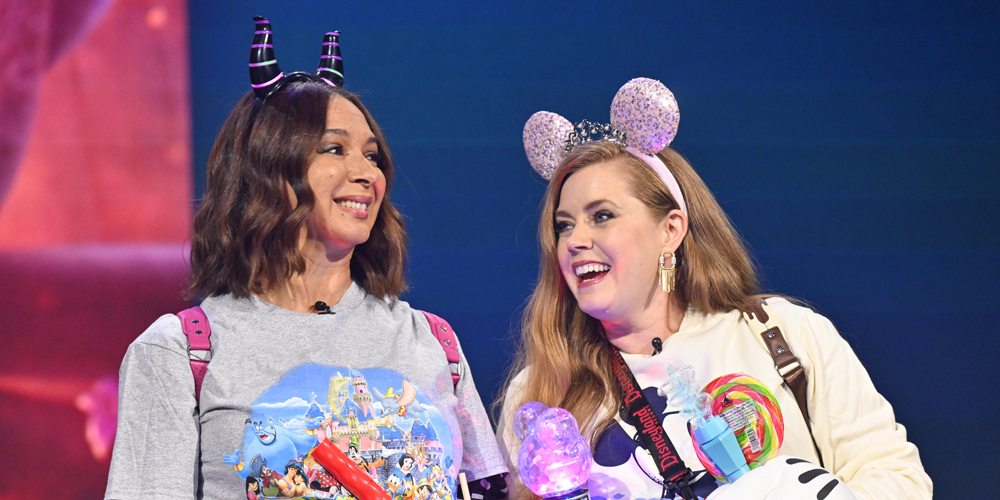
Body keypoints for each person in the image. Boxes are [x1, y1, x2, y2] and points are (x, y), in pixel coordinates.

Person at [104, 17, 506, 500]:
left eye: (373, 156)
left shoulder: (434, 343)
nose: (367, 174)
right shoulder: (180, 353)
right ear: (269, 170)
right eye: (335, 149)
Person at [496, 78, 932, 500]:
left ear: (670, 230)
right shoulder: (539, 393)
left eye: (602, 215)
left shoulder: (782, 334)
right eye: (563, 225)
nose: (574, 241)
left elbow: (900, 481)